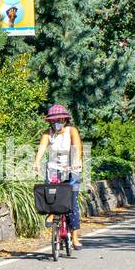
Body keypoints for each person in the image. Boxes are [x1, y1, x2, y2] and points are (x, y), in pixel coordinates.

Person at [33, 104, 84, 250]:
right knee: (50, 194)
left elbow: (77, 147)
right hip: (54, 169)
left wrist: (75, 162)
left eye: (59, 120)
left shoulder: (71, 131)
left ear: (64, 119)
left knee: (72, 203)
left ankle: (74, 238)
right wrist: (37, 162)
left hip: (71, 169)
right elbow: (42, 148)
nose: (56, 122)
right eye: (54, 120)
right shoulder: (48, 133)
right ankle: (50, 213)